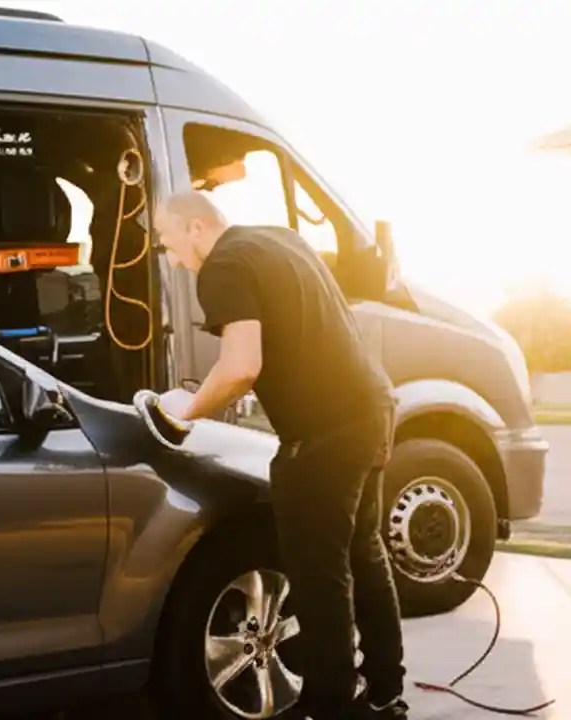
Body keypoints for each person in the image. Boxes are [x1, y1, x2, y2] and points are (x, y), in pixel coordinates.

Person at [149, 191, 409, 719]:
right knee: (365, 552)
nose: (172, 258)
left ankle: (328, 705)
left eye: (169, 243)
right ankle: (385, 691)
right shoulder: (279, 239)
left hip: (323, 437)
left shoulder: (221, 266)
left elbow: (242, 364)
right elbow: (321, 328)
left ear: (197, 228)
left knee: (319, 573)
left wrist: (187, 409)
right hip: (370, 410)